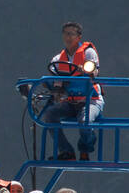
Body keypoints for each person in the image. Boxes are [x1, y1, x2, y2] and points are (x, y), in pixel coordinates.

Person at [41, 21, 103, 161]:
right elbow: (56, 80)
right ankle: (66, 151)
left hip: (90, 100)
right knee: (50, 115)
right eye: (65, 34)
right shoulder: (58, 59)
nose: (68, 37)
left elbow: (94, 71)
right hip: (70, 101)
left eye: (71, 34)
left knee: (85, 120)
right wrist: (56, 90)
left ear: (78, 37)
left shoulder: (88, 53)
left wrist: (87, 71)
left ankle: (85, 148)